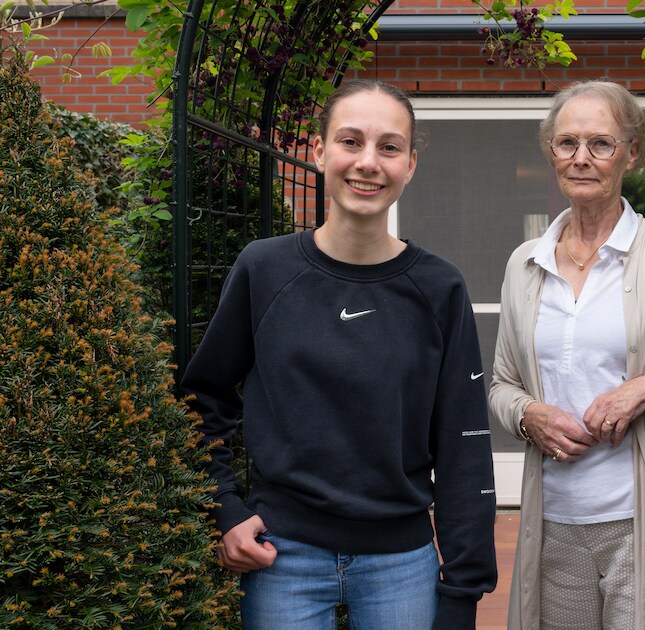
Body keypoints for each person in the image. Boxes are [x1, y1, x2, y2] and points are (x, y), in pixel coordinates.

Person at [179, 79, 497, 629]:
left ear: (410, 164)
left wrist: (464, 588)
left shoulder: (440, 287)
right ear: (320, 151)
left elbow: (463, 442)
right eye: (350, 142)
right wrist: (226, 509)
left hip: (403, 562)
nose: (368, 163)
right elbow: (201, 397)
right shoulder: (265, 270)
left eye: (389, 147)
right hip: (283, 557)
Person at [490, 80, 645, 629]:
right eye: (567, 143)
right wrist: (528, 415)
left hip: (641, 520)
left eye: (601, 144)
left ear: (632, 153)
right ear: (551, 153)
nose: (581, 158)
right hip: (554, 520)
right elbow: (501, 385)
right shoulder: (525, 263)